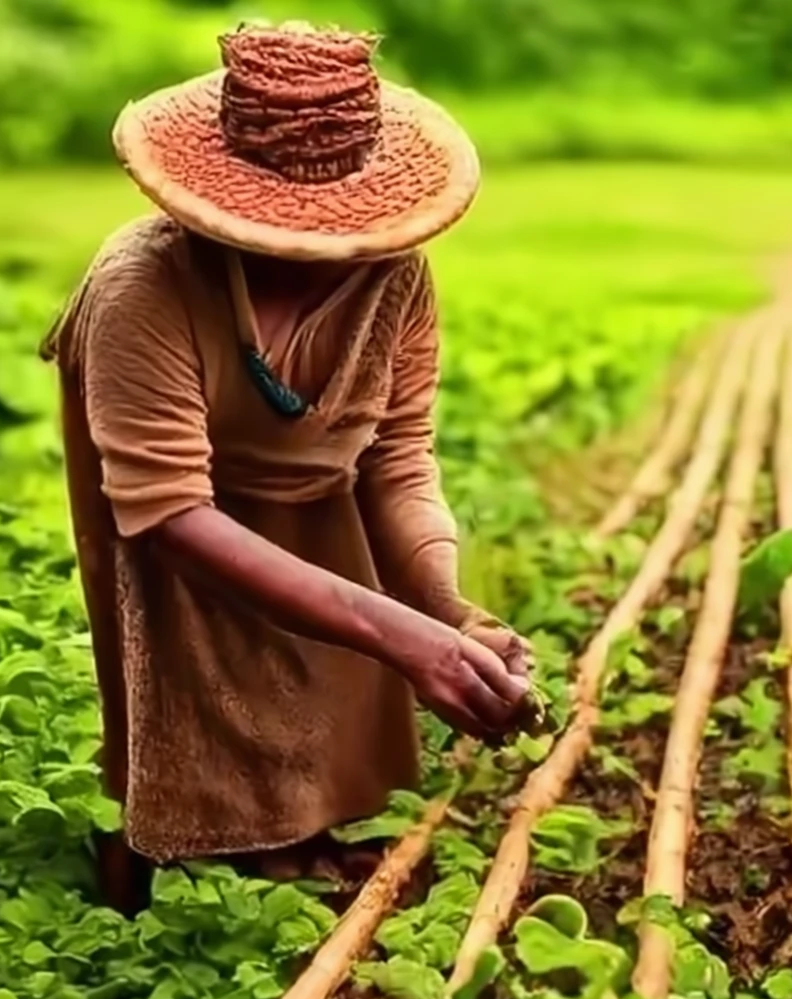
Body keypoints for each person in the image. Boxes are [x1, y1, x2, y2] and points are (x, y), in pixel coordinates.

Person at [40, 22, 535, 914]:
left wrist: (446, 610)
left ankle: (298, 846)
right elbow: (171, 513)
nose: (317, 258)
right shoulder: (143, 288)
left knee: (325, 687)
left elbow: (398, 462)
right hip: (182, 531)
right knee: (195, 698)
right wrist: (401, 635)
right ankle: (172, 884)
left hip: (319, 514)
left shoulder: (396, 280)